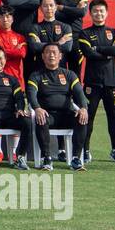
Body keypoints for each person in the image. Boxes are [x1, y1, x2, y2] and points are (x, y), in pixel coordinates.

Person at [25, 42, 89, 170]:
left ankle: (76, 159)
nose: (51, 55)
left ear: (60, 56)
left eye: (54, 52)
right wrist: (37, 108)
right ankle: (46, 158)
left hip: (66, 114)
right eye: (48, 52)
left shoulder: (69, 75)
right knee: (41, 118)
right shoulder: (36, 75)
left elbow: (79, 94)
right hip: (48, 115)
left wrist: (83, 108)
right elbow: (31, 95)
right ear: (43, 56)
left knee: (82, 118)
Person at [75, 0, 115, 164]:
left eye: (101, 11)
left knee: (114, 117)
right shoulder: (84, 33)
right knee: (88, 118)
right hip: (92, 83)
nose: (98, 13)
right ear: (90, 13)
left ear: (107, 13)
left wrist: (98, 48)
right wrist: (106, 52)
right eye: (95, 11)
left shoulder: (114, 32)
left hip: (111, 83)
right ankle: (86, 151)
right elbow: (88, 53)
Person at [47, 0, 89, 72]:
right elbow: (53, 13)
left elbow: (82, 13)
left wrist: (62, 7)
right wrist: (74, 10)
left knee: (75, 71)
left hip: (76, 36)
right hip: (57, 36)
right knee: (58, 71)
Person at [26, 0, 74, 74]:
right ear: (40, 8)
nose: (49, 8)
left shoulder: (66, 27)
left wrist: (41, 44)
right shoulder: (35, 27)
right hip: (40, 71)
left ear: (56, 7)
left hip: (61, 70)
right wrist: (59, 43)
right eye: (45, 6)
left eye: (51, 5)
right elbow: (34, 47)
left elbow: (68, 47)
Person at [0, 6, 28, 82]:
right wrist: (14, 51)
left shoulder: (20, 37)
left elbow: (22, 54)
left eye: (8, 16)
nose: (5, 19)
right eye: (1, 17)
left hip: (16, 79)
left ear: (12, 19)